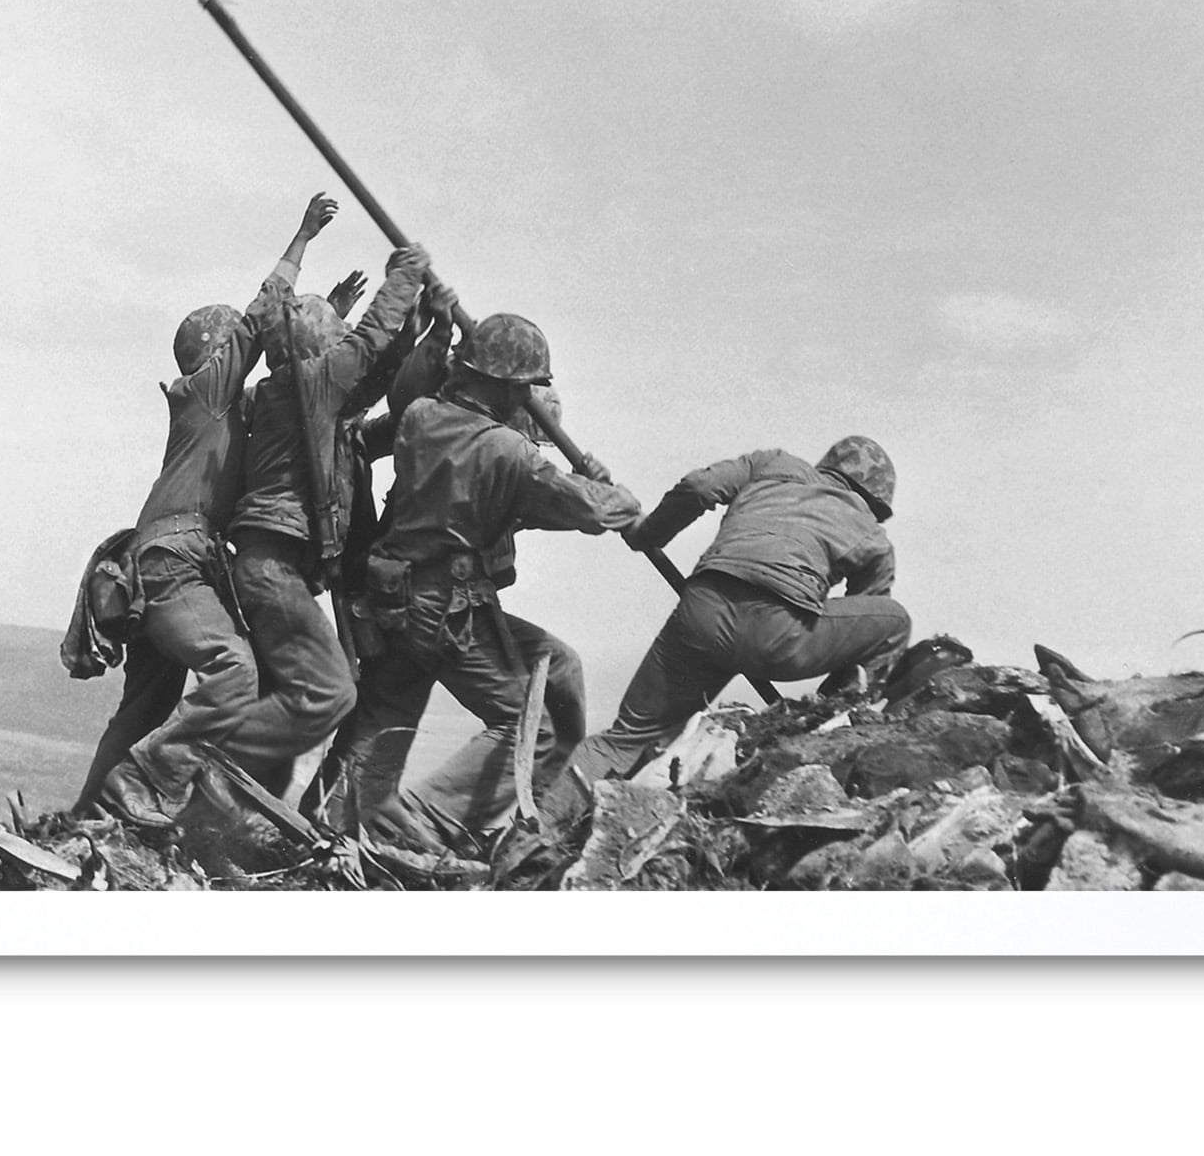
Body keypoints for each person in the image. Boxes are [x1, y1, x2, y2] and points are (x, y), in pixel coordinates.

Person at [62, 193, 342, 823]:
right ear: (214, 354)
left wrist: (323, 323)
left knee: (144, 709)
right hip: (175, 562)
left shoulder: (220, 412)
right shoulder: (206, 392)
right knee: (234, 670)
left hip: (167, 561)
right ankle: (147, 784)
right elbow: (262, 312)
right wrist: (302, 238)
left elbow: (284, 359)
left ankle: (87, 819)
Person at [344, 314, 641, 842]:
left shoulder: (422, 416)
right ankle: (431, 821)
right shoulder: (508, 451)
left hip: (398, 598)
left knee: (555, 668)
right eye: (524, 385)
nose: (527, 396)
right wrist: (613, 492)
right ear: (504, 384)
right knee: (532, 727)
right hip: (446, 608)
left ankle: (351, 821)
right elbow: (594, 512)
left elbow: (500, 496)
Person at [549, 435, 912, 816]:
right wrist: (830, 702)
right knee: (894, 621)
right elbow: (861, 632)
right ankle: (835, 725)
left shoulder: (773, 463)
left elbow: (698, 488)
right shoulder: (874, 538)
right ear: (875, 500)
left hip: (702, 613)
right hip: (780, 636)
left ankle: (539, 828)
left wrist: (648, 534)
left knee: (624, 738)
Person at [219, 242, 435, 794]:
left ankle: (227, 811)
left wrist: (424, 329)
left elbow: (377, 382)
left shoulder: (300, 402)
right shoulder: (308, 386)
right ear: (320, 350)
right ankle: (197, 762)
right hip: (273, 569)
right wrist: (404, 276)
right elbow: (367, 348)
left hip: (275, 568)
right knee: (331, 693)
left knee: (286, 705)